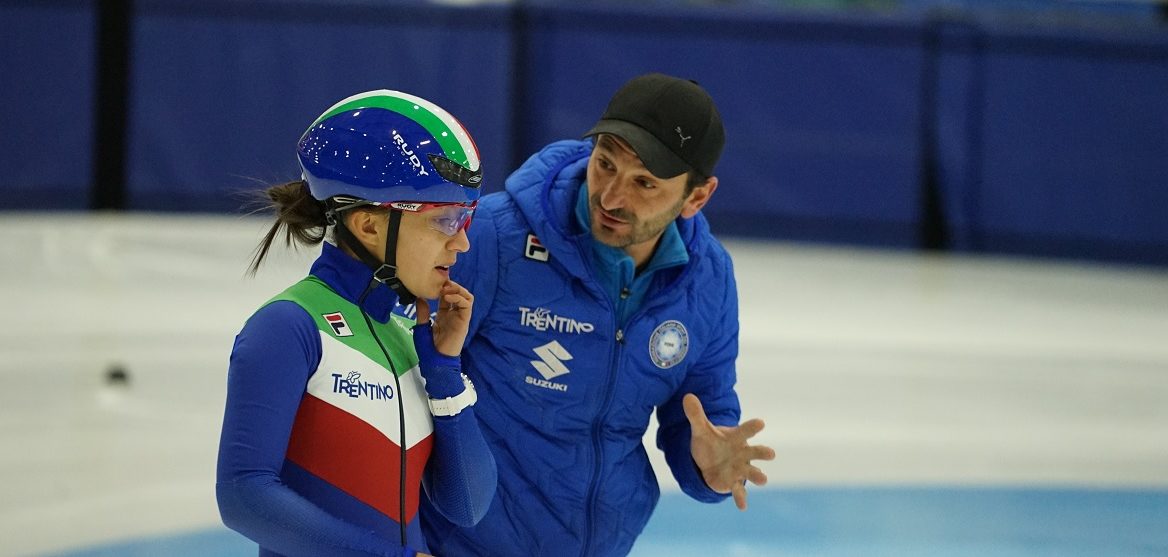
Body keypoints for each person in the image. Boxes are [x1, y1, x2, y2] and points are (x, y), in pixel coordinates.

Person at [419, 73, 776, 556]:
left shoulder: (707, 280)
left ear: (697, 197)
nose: (610, 197)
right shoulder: (491, 238)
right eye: (604, 164)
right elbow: (400, 387)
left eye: (644, 183)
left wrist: (708, 471)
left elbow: (701, 415)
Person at [216, 90, 497, 557]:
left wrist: (445, 371)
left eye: (467, 218)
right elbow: (244, 496)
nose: (462, 243)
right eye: (446, 221)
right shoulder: (289, 328)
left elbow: (467, 504)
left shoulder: (410, 336)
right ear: (368, 226)